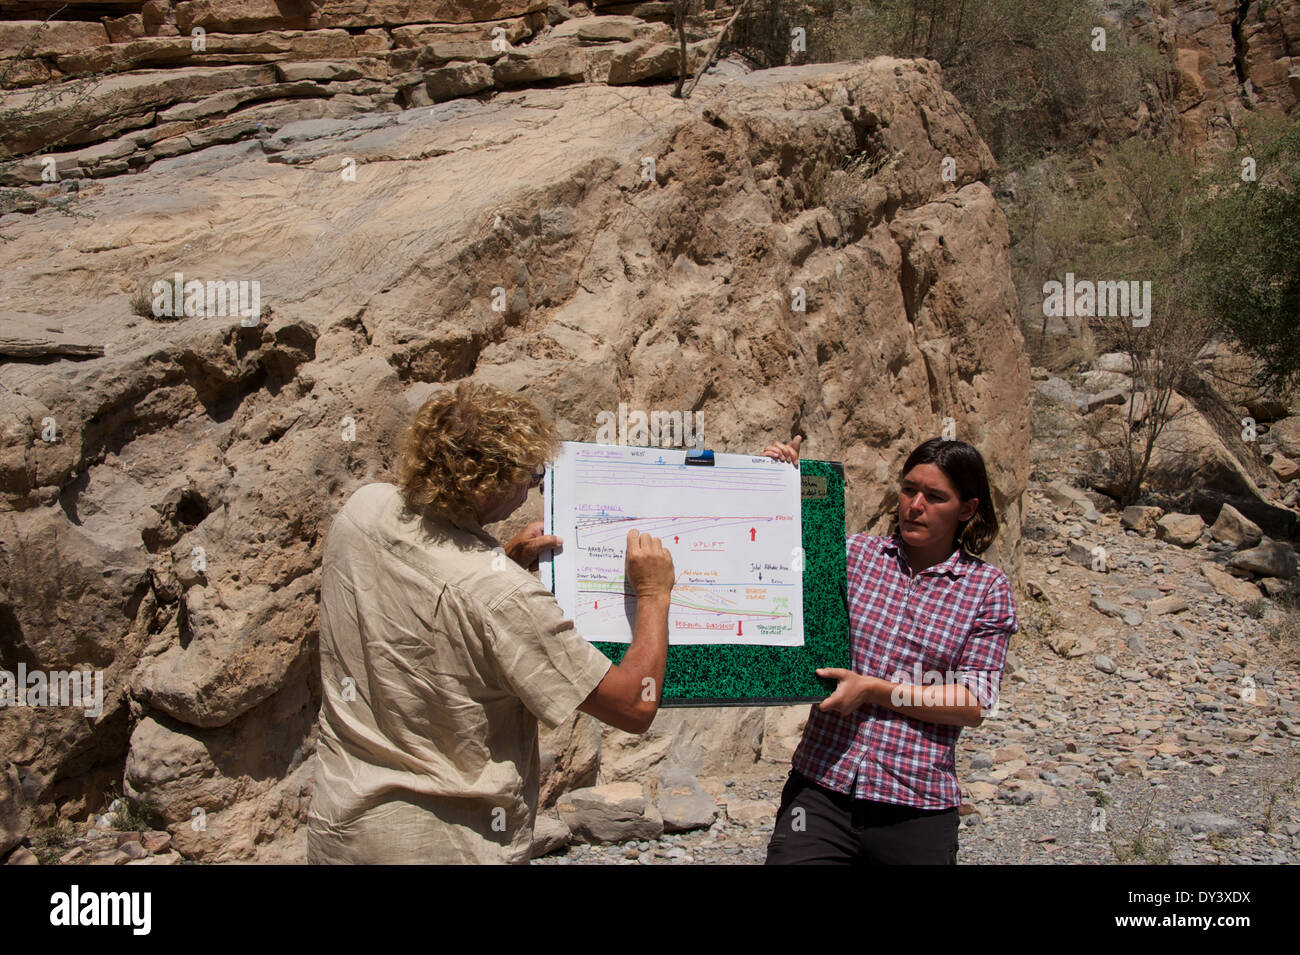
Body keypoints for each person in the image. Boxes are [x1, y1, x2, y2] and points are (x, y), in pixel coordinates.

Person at [307, 381, 676, 864]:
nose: (530, 490)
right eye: (529, 476)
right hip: (447, 845)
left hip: (343, 830)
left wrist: (501, 559)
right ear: (491, 483)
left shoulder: (363, 510)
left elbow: (434, 595)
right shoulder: (506, 600)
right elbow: (633, 706)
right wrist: (653, 593)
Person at [761, 435, 1018, 865]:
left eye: (935, 496)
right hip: (821, 788)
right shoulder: (856, 556)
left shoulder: (987, 590)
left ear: (968, 509)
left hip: (915, 805)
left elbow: (972, 703)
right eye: (909, 489)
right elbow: (777, 566)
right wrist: (786, 484)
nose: (915, 505)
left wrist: (875, 691)